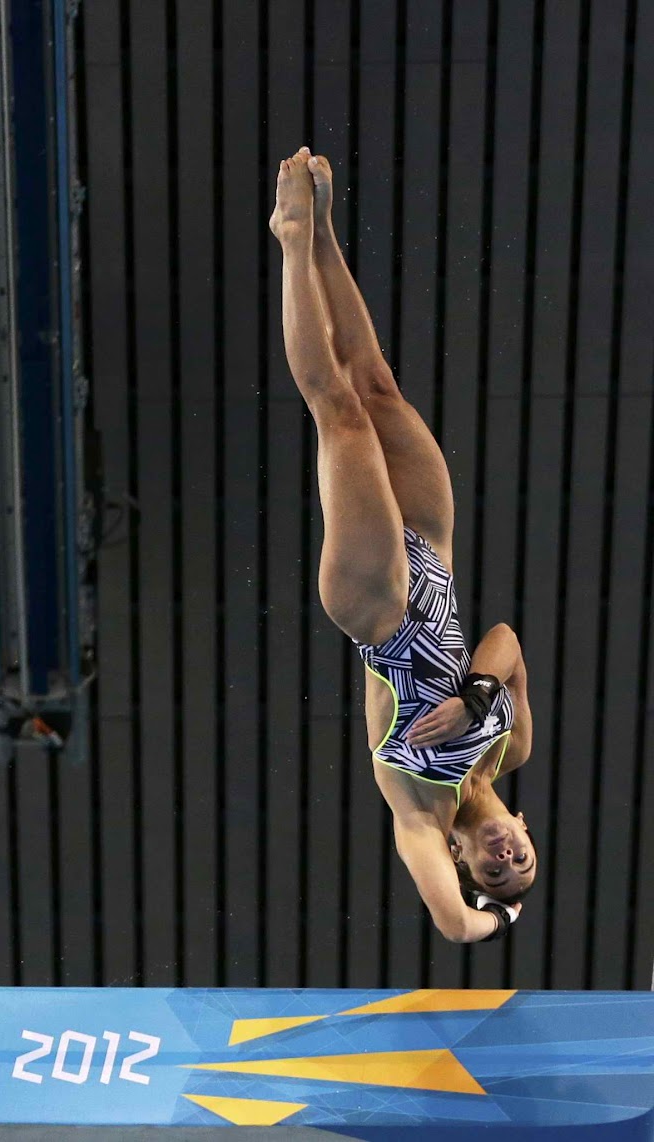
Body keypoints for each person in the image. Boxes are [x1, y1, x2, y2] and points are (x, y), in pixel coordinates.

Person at [269, 146, 537, 944]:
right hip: (435, 556)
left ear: (460, 855)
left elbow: (455, 929)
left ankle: (288, 237)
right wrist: (479, 697)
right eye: (521, 859)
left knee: (340, 411)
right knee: (377, 382)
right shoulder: (510, 746)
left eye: (494, 868)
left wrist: (497, 914)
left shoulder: (418, 808)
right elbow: (507, 642)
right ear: (527, 827)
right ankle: (323, 235)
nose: (506, 857)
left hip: (378, 607)